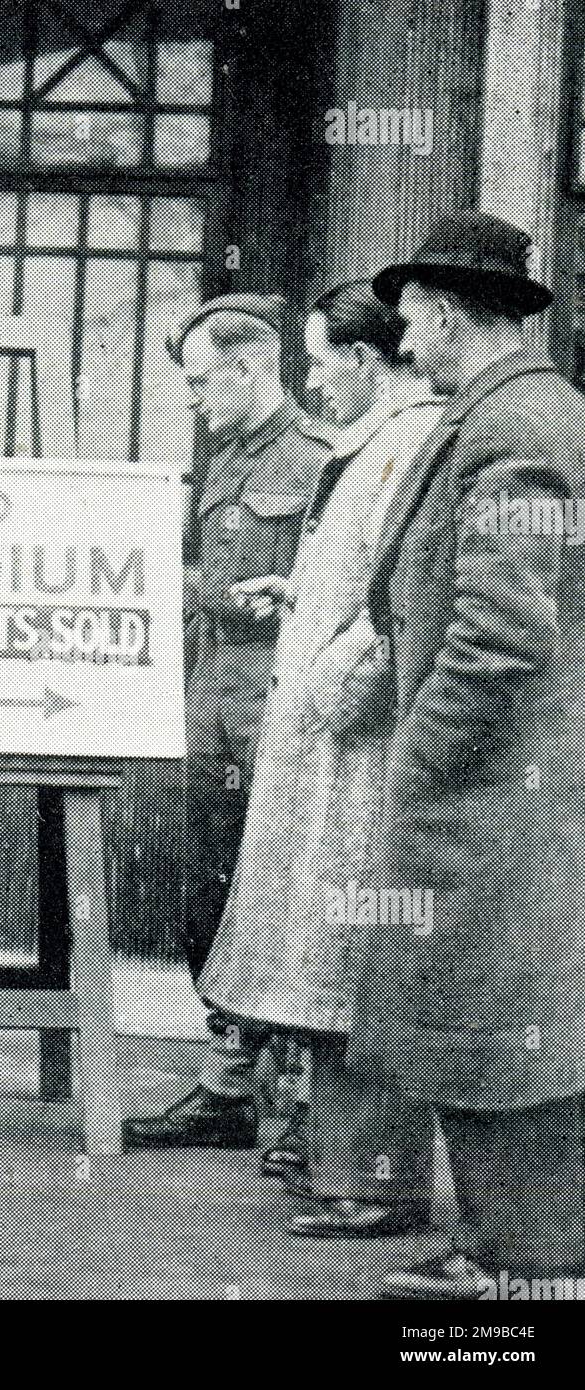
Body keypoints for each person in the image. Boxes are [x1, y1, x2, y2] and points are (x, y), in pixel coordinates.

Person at [347, 209, 585, 1297]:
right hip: (500, 786)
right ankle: (508, 1247)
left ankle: (526, 1261)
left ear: (445, 315)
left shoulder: (518, 426)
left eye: (408, 323)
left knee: (499, 1020)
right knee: (482, 1012)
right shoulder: (511, 412)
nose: (403, 343)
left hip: (494, 788)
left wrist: (421, 756)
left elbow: (502, 629)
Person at [195, 281, 444, 1235]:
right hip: (328, 743)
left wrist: (333, 684)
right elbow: (356, 579)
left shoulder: (406, 443)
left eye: (320, 360)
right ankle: (342, 1167)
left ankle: (376, 1184)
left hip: (360, 744)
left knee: (359, 960)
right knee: (327, 959)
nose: (311, 380)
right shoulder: (370, 444)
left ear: (366, 361)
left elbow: (402, 603)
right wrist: (297, 591)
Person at [124, 294, 332, 1150]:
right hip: (212, 711)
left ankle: (301, 1101)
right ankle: (228, 1084)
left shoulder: (318, 457)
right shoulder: (226, 455)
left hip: (276, 716)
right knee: (207, 891)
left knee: (286, 898)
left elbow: (330, 597)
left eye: (204, 380)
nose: (193, 397)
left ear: (248, 368)